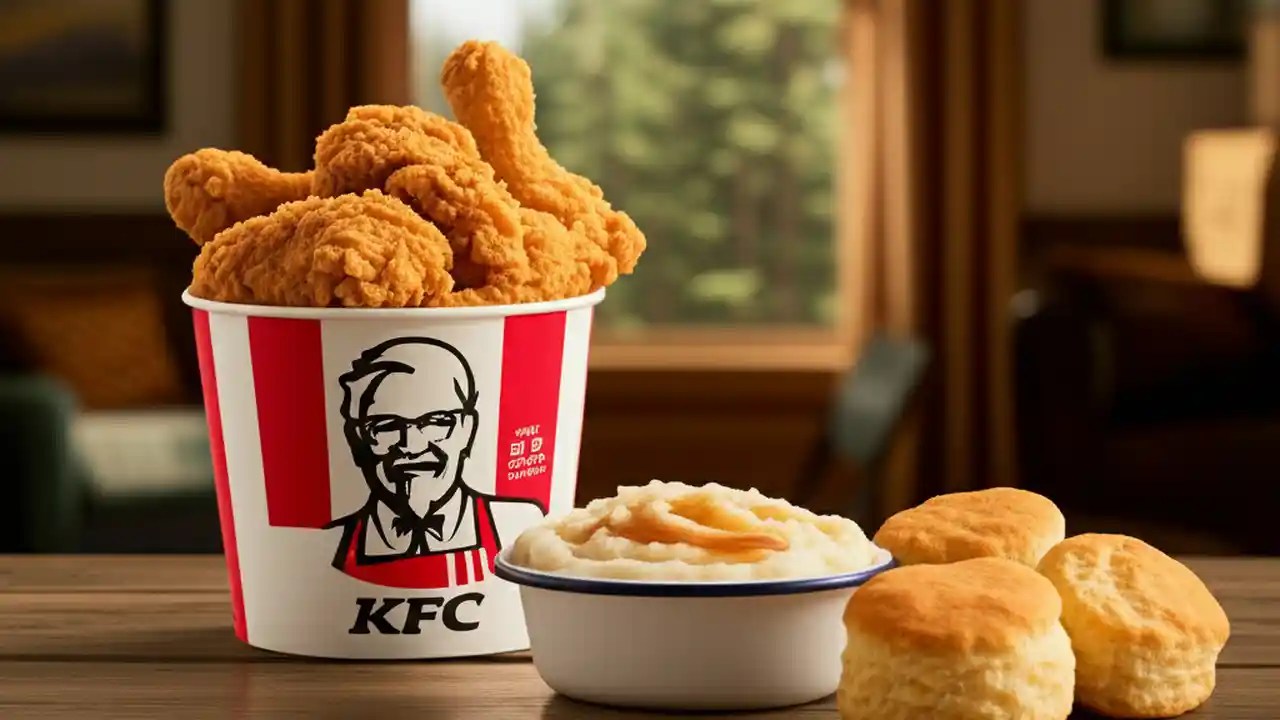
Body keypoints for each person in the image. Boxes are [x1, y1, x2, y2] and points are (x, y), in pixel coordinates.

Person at [327, 337, 545, 588]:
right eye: (386, 426)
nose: (413, 446)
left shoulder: (520, 524)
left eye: (437, 422)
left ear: (467, 429)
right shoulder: (324, 545)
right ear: (356, 440)